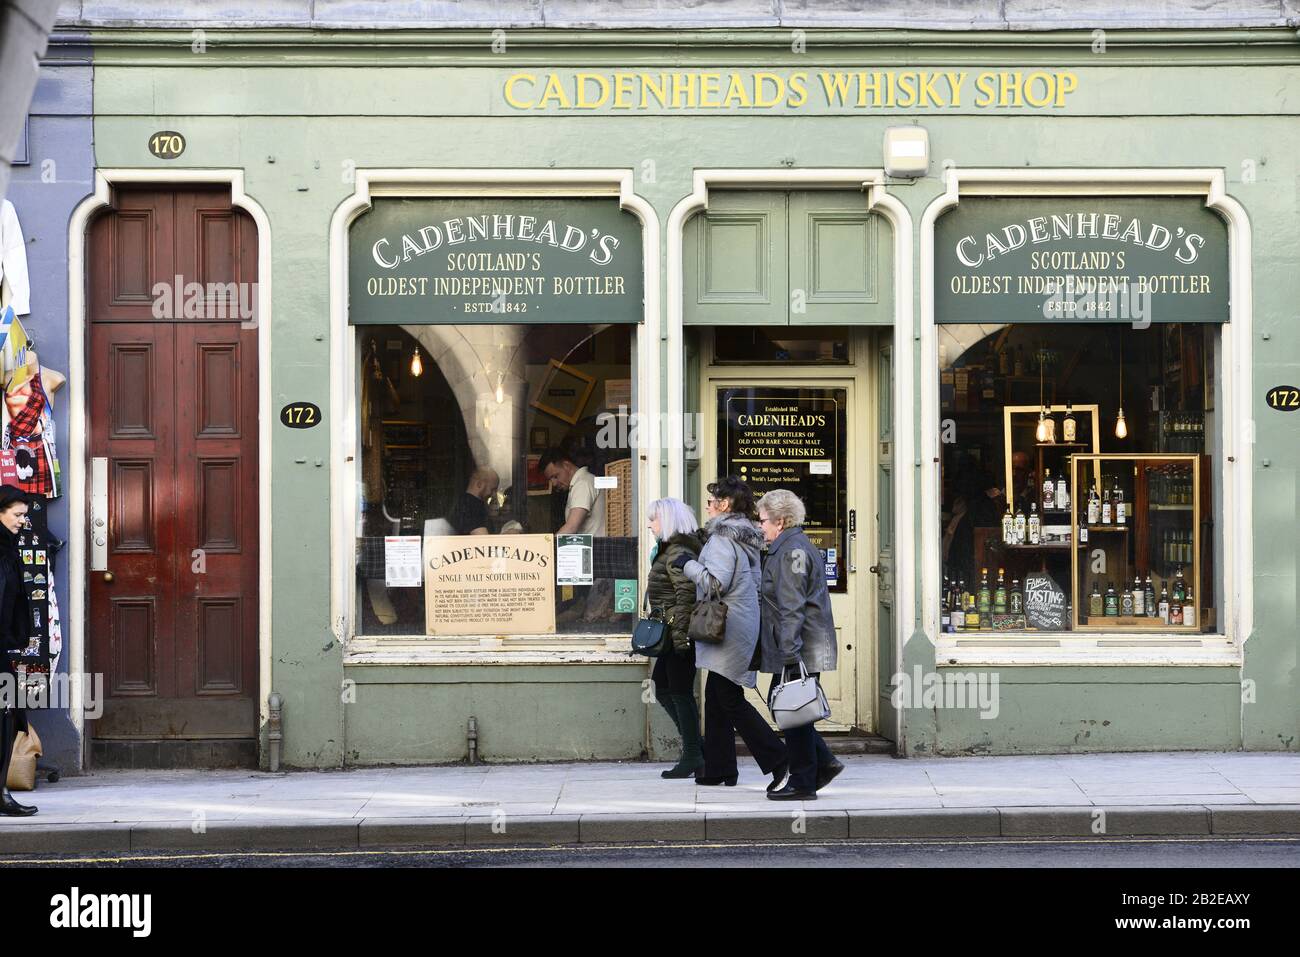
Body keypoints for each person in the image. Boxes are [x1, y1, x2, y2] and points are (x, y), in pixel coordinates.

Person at [675, 477, 788, 790]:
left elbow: (715, 584)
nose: (708, 507)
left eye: (712, 502)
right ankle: (719, 768)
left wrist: (687, 564)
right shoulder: (741, 536)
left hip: (729, 628)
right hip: (738, 624)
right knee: (716, 696)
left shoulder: (724, 539)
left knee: (729, 697)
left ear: (724, 505)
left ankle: (779, 759)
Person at [756, 488, 844, 801]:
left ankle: (804, 781)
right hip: (797, 644)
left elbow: (792, 607)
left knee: (792, 709)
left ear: (780, 521)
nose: (760, 526)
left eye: (763, 520)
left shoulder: (792, 552)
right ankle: (823, 763)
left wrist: (789, 653)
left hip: (798, 646)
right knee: (791, 707)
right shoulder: (787, 547)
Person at [645, 498, 704, 778]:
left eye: (654, 519)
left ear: (667, 520)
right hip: (671, 631)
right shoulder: (670, 549)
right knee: (664, 687)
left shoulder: (678, 551)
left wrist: (681, 637)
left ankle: (694, 754)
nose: (649, 524)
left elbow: (686, 595)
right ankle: (697, 750)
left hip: (678, 633)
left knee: (679, 692)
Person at [0, 485, 36, 816]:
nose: (23, 521)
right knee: (7, 712)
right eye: (18, 514)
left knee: (8, 714)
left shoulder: (9, 546)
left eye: (25, 515)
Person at [539, 447, 605, 536]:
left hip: (595, 547)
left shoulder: (583, 483)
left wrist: (549, 546)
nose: (554, 483)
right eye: (550, 479)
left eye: (555, 476)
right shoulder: (583, 481)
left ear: (566, 465)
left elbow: (571, 527)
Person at [447, 467, 499, 535]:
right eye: (492, 489)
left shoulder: (464, 502)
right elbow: (483, 539)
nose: (494, 495)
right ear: (480, 484)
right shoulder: (472, 505)